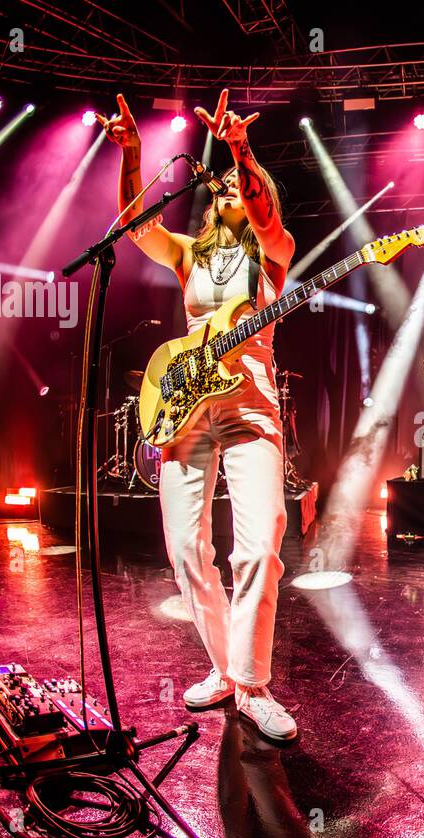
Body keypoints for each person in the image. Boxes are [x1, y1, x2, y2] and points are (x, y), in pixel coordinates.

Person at [97, 89, 297, 741]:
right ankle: (225, 668)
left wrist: (241, 149)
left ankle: (254, 683)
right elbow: (134, 223)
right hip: (186, 402)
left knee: (261, 542)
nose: (229, 198)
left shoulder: (274, 251)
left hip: (250, 406)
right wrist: (131, 152)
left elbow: (266, 212)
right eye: (224, 192)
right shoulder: (191, 256)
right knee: (186, 549)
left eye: (239, 191)